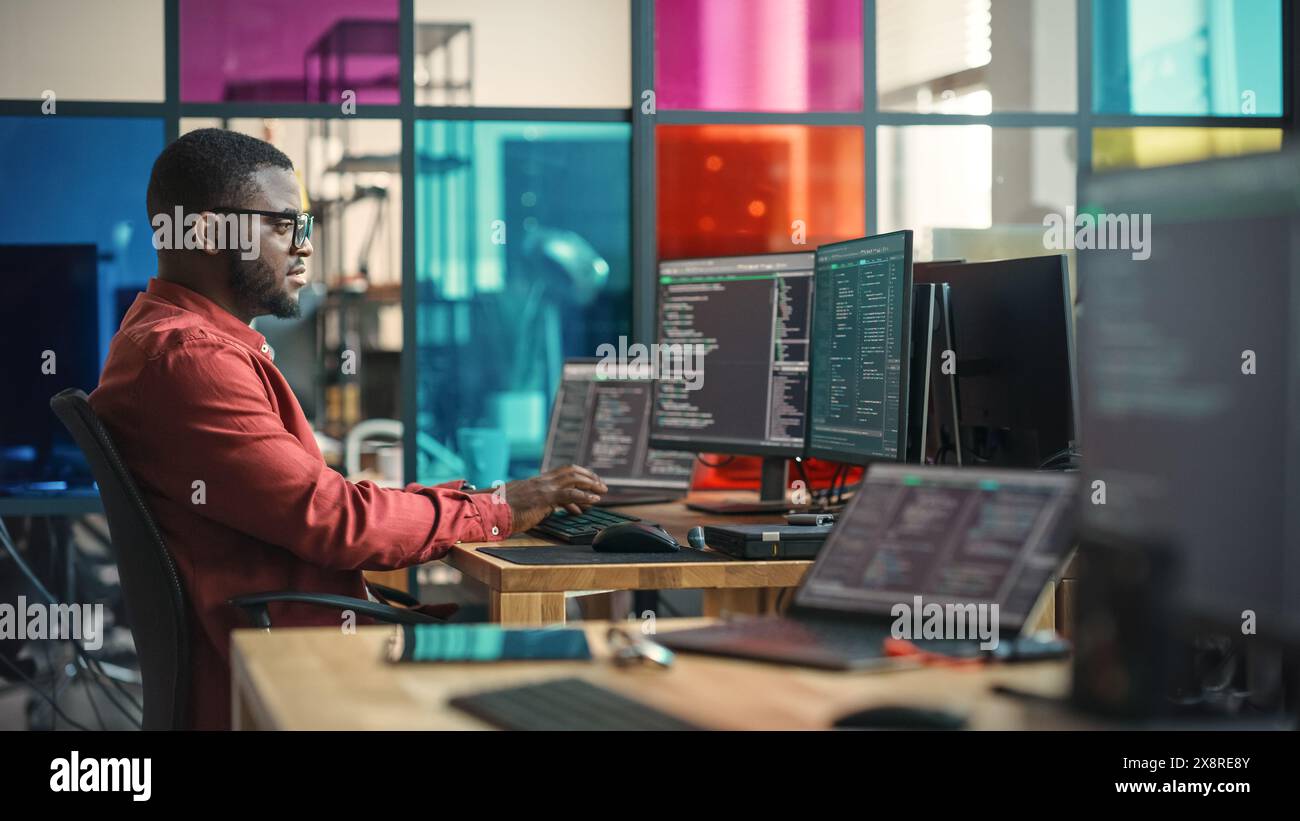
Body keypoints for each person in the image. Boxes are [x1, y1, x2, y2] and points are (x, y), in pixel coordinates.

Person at [90, 128, 606, 729]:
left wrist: (479, 502)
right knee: (568, 665)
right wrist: (497, 509)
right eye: (285, 226)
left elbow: (326, 508)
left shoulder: (169, 341)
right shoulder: (192, 360)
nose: (305, 248)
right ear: (204, 231)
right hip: (288, 672)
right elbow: (336, 522)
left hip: (280, 647)